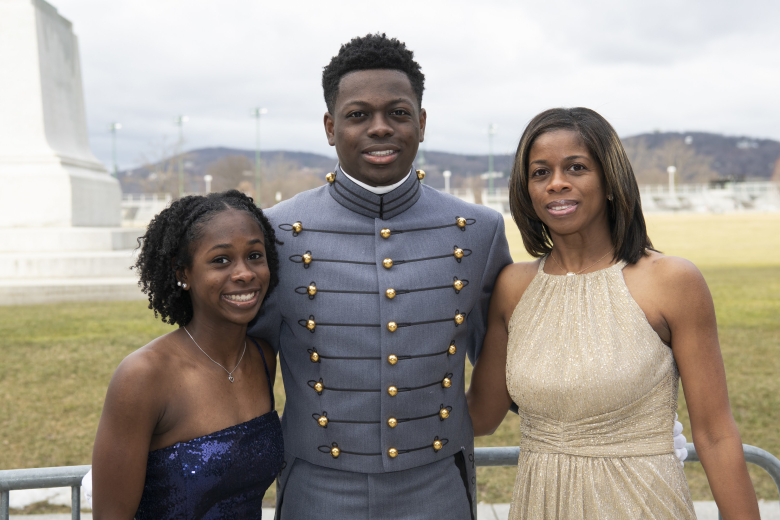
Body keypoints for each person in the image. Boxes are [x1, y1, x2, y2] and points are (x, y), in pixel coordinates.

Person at [248, 33, 512, 519]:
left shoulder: (480, 231)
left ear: (422, 122)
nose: (380, 128)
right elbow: (240, 367)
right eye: (357, 115)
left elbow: (507, 361)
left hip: (437, 487)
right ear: (330, 127)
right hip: (317, 488)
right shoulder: (273, 231)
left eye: (398, 112)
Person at [466, 107, 760, 519]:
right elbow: (479, 415)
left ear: (608, 180)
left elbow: (715, 435)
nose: (557, 183)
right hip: (540, 506)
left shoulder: (671, 281)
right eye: (540, 173)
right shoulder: (513, 287)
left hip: (643, 505)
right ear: (526, 190)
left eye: (576, 167)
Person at [89, 190, 284, 519]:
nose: (244, 273)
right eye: (221, 260)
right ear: (182, 274)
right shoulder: (144, 376)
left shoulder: (262, 358)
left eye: (254, 255)